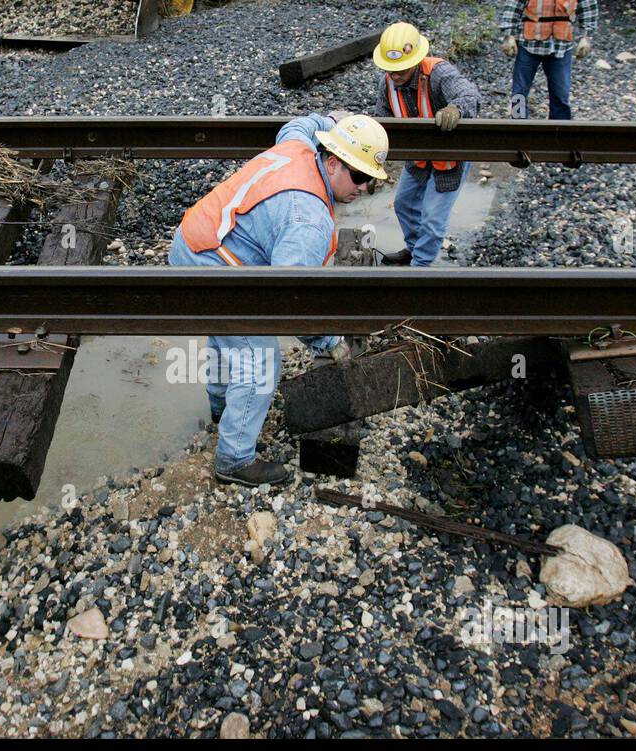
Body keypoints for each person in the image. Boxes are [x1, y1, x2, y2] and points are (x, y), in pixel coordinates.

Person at [168, 112, 390, 486]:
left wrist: (333, 119)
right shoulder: (308, 220)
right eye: (359, 176)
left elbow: (300, 124)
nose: (364, 187)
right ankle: (234, 460)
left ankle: (223, 411)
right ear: (332, 161)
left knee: (227, 340)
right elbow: (289, 300)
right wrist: (328, 340)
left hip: (195, 245)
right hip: (211, 268)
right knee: (258, 358)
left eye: (371, 179)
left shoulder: (300, 146)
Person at [371, 22, 481, 268]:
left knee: (432, 219)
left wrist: (455, 109)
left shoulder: (438, 74)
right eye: (390, 69)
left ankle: (420, 268)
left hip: (449, 158)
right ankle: (413, 249)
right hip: (419, 157)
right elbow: (380, 126)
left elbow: (470, 95)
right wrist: (372, 162)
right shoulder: (387, 83)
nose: (394, 75)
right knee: (404, 205)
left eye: (400, 69)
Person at [497, 0, 598, 121]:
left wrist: (586, 37)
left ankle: (560, 134)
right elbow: (513, 5)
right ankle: (519, 132)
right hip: (528, 44)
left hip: (561, 46)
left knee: (561, 96)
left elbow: (588, 9)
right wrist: (509, 35)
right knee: (519, 93)